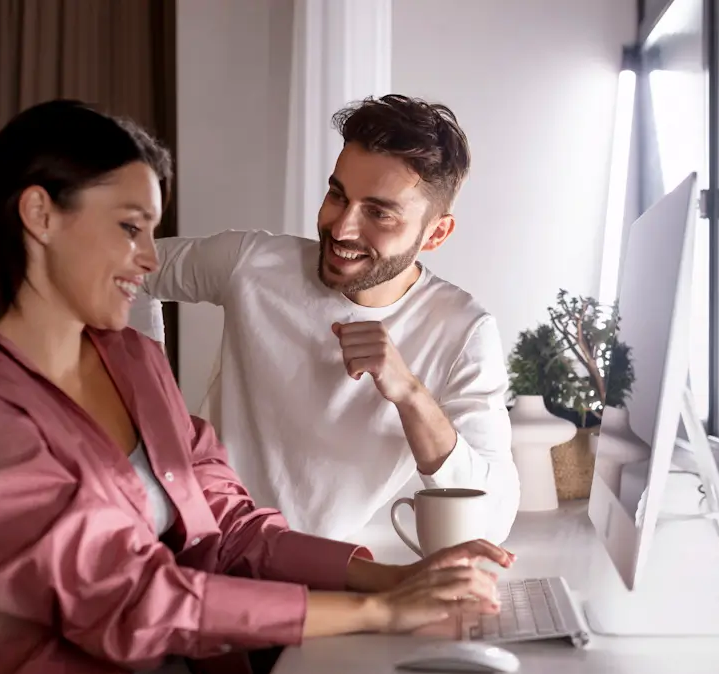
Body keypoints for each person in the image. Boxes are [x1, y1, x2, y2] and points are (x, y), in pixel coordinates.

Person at [0, 99, 511, 674]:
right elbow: (130, 598)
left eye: (151, 232)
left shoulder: (131, 361)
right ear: (39, 216)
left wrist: (393, 581)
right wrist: (377, 612)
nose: (151, 260)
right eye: (130, 229)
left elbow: (230, 527)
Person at [132, 94, 520, 545]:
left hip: (337, 577)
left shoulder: (464, 330)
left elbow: (494, 520)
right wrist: (152, 415)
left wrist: (411, 395)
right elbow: (126, 269)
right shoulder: (251, 264)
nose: (341, 228)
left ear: (435, 233)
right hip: (208, 548)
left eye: (378, 213)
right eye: (338, 195)